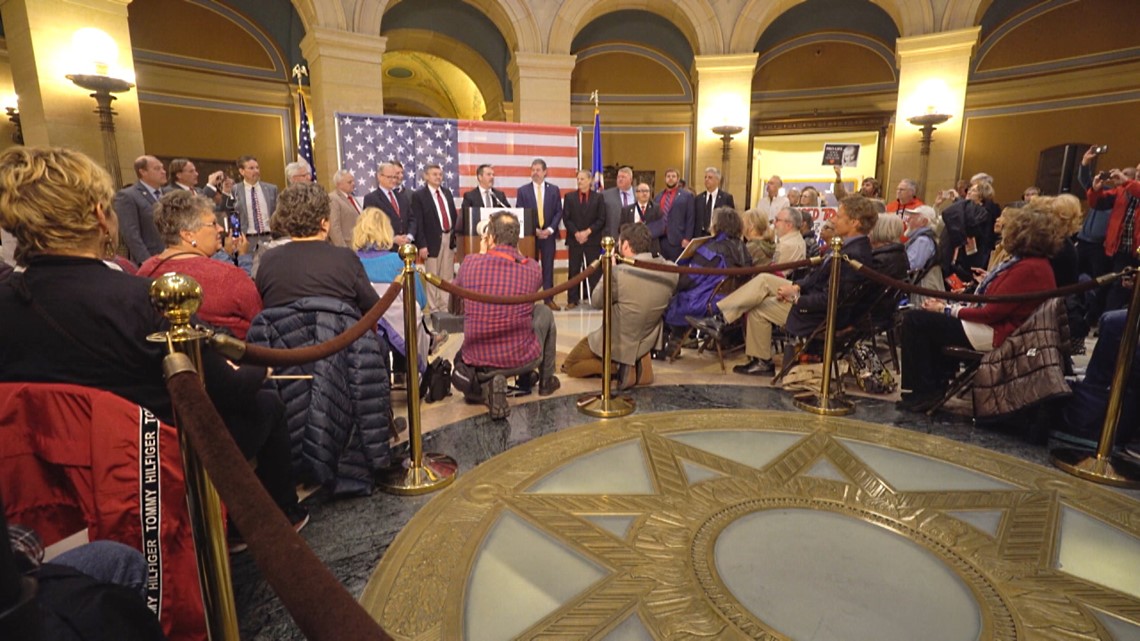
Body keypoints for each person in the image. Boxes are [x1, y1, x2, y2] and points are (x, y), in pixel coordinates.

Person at [0, 146, 305, 543]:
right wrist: (260, 369)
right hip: (153, 460)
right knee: (266, 402)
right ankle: (267, 521)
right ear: (98, 215)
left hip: (39, 481)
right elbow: (220, 389)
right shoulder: (147, 299)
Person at [898, 201, 1062, 411]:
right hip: (1003, 326)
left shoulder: (1028, 267)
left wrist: (948, 309)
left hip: (1002, 333)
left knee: (916, 320)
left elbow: (991, 312)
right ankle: (931, 386)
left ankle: (920, 392)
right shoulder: (1029, 263)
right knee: (928, 320)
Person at [687, 195, 878, 376]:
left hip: (819, 316)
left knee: (758, 306)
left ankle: (736, 335)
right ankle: (723, 322)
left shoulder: (855, 255)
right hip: (811, 299)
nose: (834, 220)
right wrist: (797, 286)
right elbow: (815, 278)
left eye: (839, 216)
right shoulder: (848, 246)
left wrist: (796, 297)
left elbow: (831, 300)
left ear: (855, 222)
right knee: (763, 279)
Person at [454, 211, 560, 413]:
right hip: (523, 358)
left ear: (490, 237)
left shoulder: (469, 263)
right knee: (543, 312)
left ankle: (489, 386)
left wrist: (482, 254)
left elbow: (454, 301)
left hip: (480, 361)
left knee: (460, 357)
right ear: (517, 238)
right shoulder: (533, 269)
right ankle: (546, 379)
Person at [561, 222, 678, 388]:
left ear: (626, 245)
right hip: (647, 336)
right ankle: (639, 359)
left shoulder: (619, 274)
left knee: (570, 366)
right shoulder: (671, 270)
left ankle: (618, 367)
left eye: (619, 243)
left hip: (617, 338)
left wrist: (610, 270)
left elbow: (596, 301)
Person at [137, 191, 261, 339]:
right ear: (188, 235)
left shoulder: (145, 272)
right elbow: (260, 321)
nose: (220, 229)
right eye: (213, 224)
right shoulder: (228, 276)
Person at [255, 182, 379, 315]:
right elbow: (373, 309)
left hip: (280, 335)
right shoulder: (345, 259)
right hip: (342, 334)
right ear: (324, 223)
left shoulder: (268, 260)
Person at [662, 207, 751, 356]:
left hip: (709, 301)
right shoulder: (742, 247)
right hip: (732, 299)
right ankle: (686, 339)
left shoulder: (711, 249)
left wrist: (674, 284)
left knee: (671, 298)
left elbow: (692, 277)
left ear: (717, 225)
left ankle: (673, 343)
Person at [353, 206, 431, 374]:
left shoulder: (349, 262)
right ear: (386, 231)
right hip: (401, 331)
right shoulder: (398, 262)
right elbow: (420, 300)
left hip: (360, 330)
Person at [410, 163, 458, 313]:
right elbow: (418, 222)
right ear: (426, 176)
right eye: (434, 174)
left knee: (447, 276)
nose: (438, 177)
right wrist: (422, 245)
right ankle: (434, 309)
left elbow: (453, 216)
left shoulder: (447, 193)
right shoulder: (418, 196)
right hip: (430, 242)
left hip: (448, 238)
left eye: (440, 174)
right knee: (432, 276)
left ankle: (445, 307)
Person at [515, 158, 563, 309]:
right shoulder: (523, 190)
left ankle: (548, 299)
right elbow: (520, 212)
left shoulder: (554, 189)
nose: (535, 173)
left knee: (548, 267)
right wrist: (533, 230)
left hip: (548, 235)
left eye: (538, 170)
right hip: (531, 237)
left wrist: (550, 230)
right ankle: (530, 299)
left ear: (545, 172)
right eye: (532, 170)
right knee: (530, 267)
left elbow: (558, 212)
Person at [562, 169, 605, 309]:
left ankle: (595, 299)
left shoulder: (598, 198)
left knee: (593, 271)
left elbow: (601, 219)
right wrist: (577, 233)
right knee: (574, 270)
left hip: (592, 240)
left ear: (590, 180)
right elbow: (566, 219)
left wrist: (587, 232)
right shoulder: (569, 197)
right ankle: (572, 300)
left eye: (582, 179)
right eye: (578, 179)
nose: (579, 181)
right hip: (575, 240)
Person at [114, 155, 167, 263]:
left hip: (175, 258)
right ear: (143, 172)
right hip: (151, 258)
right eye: (157, 169)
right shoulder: (128, 196)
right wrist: (147, 261)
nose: (163, 172)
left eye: (163, 168)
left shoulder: (169, 194)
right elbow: (131, 234)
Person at [232, 155, 279, 253]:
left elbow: (278, 213)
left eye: (257, 168)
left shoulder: (271, 189)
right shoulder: (235, 190)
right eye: (251, 168)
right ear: (242, 171)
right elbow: (232, 214)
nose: (256, 171)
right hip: (248, 239)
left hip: (269, 237)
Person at [363, 161, 416, 248]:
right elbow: (371, 226)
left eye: (395, 177)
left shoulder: (402, 197)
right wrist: (392, 239)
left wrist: (409, 236)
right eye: (389, 177)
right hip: (385, 249)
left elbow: (411, 219)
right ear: (379, 176)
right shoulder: (371, 199)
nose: (393, 180)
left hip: (406, 247)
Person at [650, 168, 695, 262]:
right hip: (659, 239)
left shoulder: (686, 196)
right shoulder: (658, 197)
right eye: (668, 176)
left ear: (678, 179)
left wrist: (687, 238)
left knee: (676, 269)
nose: (670, 178)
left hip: (677, 240)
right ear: (665, 179)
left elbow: (690, 218)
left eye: (673, 176)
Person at [327, 168, 364, 248]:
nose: (353, 184)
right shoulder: (333, 198)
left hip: (359, 246)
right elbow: (334, 227)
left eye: (353, 181)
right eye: (349, 182)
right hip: (347, 246)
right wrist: (343, 249)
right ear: (338, 184)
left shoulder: (352, 198)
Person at [695, 167, 736, 238]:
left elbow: (731, 220)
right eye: (705, 177)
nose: (706, 180)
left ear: (718, 180)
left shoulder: (726, 198)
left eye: (710, 177)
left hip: (718, 235)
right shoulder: (699, 198)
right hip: (700, 235)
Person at [601, 166, 636, 239]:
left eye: (623, 177)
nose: (620, 179)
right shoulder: (606, 195)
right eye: (618, 177)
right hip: (613, 237)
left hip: (635, 236)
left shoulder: (638, 194)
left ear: (631, 179)